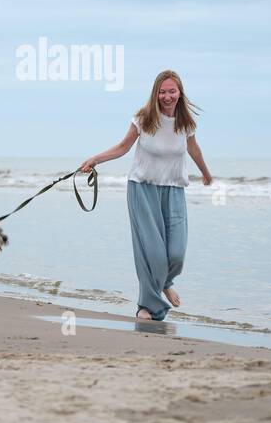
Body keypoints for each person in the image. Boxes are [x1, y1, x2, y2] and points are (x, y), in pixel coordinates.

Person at [80, 69, 212, 320]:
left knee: (176, 253)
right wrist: (95, 159)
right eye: (162, 92)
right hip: (142, 188)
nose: (167, 96)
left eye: (171, 91)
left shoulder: (186, 123)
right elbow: (122, 147)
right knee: (151, 252)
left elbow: (193, 148)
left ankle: (165, 282)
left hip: (174, 190)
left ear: (180, 92)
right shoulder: (144, 118)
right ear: (155, 93)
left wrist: (205, 172)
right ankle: (148, 306)